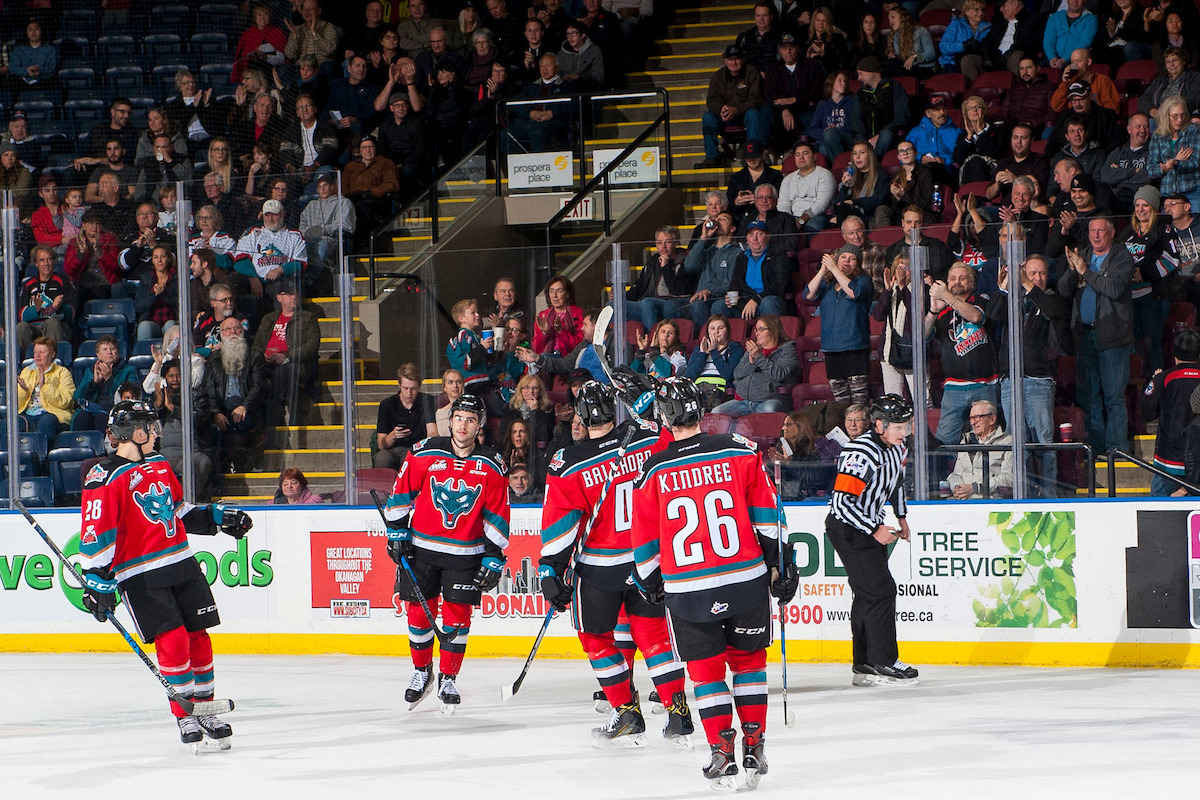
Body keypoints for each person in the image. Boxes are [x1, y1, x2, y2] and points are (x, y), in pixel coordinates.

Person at [629, 376, 793, 791]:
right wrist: (782, 563)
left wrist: (649, 580)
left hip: (688, 588)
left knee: (706, 674)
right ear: (700, 411)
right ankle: (754, 743)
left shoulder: (652, 470)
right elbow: (768, 516)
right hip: (745, 580)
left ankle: (722, 751)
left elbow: (644, 538)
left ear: (665, 417)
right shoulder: (739, 450)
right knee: (749, 664)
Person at [78, 400, 253, 747]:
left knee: (198, 637)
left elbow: (177, 510)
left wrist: (215, 519)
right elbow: (96, 530)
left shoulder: (158, 463)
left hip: (181, 562)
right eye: (150, 428)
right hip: (140, 574)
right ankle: (184, 714)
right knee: (173, 641)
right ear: (134, 433)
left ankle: (205, 708)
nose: (156, 433)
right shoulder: (104, 476)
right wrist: (97, 579)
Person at [539, 380, 693, 747]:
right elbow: (674, 441)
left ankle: (626, 712)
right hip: (647, 562)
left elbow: (561, 528)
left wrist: (550, 568)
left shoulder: (568, 462)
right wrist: (647, 407)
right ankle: (678, 714)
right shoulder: (647, 436)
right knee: (655, 637)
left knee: (595, 638)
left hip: (600, 569)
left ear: (579, 416)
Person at [383, 395, 510, 712]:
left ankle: (448, 678)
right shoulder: (425, 452)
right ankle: (421, 671)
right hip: (422, 549)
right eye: (459, 418)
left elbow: (497, 513)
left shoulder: (492, 464)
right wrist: (396, 531)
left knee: (458, 618)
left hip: (466, 554)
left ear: (479, 426)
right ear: (450, 421)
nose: (463, 425)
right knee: (418, 613)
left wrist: (494, 555)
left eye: (470, 419)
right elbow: (402, 490)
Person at [826, 393, 916, 686]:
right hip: (848, 528)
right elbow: (842, 503)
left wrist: (901, 517)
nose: (904, 432)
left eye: (906, 425)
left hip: (866, 525)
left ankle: (864, 662)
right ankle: (883, 661)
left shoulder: (897, 447)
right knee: (880, 591)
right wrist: (873, 528)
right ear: (879, 425)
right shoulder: (860, 452)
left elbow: (896, 483)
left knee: (868, 593)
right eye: (898, 427)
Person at [987, 254, 1067, 498]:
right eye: (1032, 273)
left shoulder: (1051, 298)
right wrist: (1004, 286)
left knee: (1044, 442)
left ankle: (1050, 495)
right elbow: (992, 315)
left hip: (1038, 380)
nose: (1037, 277)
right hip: (1010, 380)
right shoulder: (1012, 299)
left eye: (1042, 273)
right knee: (1016, 443)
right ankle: (1023, 495)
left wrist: (1026, 282)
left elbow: (1052, 311)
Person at [1059, 217, 1135, 455]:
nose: (1096, 235)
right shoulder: (1082, 255)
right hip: (1084, 336)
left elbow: (1114, 289)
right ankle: (1096, 449)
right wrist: (1073, 272)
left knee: (1113, 397)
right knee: (1089, 396)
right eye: (1092, 230)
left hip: (1113, 337)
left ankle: (1117, 450)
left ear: (1111, 233)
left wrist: (1086, 272)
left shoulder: (1122, 257)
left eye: (1101, 230)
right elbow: (1063, 290)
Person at [925, 262, 999, 446]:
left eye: (962, 278)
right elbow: (922, 337)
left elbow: (975, 317)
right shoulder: (943, 310)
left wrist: (947, 297)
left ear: (972, 284)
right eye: (952, 278)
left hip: (984, 384)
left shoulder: (981, 299)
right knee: (944, 441)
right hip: (954, 387)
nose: (957, 281)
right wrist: (933, 311)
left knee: (988, 439)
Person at [252, 281, 319, 443]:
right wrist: (263, 355)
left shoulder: (308, 318)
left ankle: (289, 420)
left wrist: (287, 356)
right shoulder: (268, 319)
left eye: (296, 293)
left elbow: (312, 345)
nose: (294, 297)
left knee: (285, 370)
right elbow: (256, 345)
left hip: (294, 365)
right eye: (289, 294)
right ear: (279, 297)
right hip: (268, 365)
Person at [806, 246, 873, 404]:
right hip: (832, 348)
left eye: (852, 258)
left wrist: (834, 269)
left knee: (859, 402)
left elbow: (854, 293)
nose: (846, 261)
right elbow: (809, 295)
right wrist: (823, 270)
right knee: (840, 402)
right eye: (843, 257)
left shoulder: (863, 280)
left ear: (857, 263)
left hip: (855, 347)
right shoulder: (828, 283)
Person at [1121, 186, 1176, 378]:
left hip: (1153, 297)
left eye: (1145, 205)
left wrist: (1144, 273)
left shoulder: (1163, 229)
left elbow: (1172, 260)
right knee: (1137, 345)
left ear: (1153, 207)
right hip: (1130, 297)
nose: (1140, 209)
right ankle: (1141, 385)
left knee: (1152, 345)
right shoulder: (1129, 231)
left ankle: (1157, 386)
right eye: (1137, 205)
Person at [1142, 328, 1200, 495]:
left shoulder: (1163, 378)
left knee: (1159, 509)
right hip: (1197, 464)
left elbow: (1146, 412)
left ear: (1174, 353)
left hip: (1168, 462)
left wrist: (1154, 381)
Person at [695, 45, 768, 169]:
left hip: (744, 115)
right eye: (730, 59)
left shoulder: (751, 72)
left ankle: (753, 154)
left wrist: (737, 109)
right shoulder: (718, 76)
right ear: (725, 60)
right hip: (725, 117)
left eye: (736, 59)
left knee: (753, 114)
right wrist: (721, 108)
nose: (733, 62)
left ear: (742, 59)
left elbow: (756, 99)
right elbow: (712, 100)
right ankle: (711, 157)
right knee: (708, 117)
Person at [713, 315, 800, 416]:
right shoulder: (753, 349)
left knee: (769, 409)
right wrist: (751, 363)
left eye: (761, 329)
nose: (757, 333)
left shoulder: (787, 349)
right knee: (716, 412)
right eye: (756, 330)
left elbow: (780, 374)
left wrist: (758, 358)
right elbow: (737, 374)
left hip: (770, 399)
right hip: (744, 401)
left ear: (773, 330)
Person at [715, 220, 792, 320]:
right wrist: (731, 295)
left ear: (767, 237)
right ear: (747, 238)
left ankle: (771, 330)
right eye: (751, 234)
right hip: (746, 301)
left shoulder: (778, 256)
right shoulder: (742, 257)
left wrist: (757, 299)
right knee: (719, 305)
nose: (755, 238)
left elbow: (779, 285)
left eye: (759, 234)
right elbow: (735, 281)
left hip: (767, 299)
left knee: (768, 302)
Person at [624, 226, 695, 330]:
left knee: (647, 303)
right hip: (647, 302)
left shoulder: (684, 261)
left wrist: (666, 267)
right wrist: (621, 297)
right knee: (612, 306)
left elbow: (678, 290)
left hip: (669, 301)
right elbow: (640, 285)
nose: (663, 246)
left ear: (676, 243)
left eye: (668, 242)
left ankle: (653, 338)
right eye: (659, 243)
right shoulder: (653, 260)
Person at [682, 210, 742, 327]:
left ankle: (705, 336)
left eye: (723, 220)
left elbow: (731, 283)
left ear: (732, 229)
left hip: (719, 298)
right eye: (717, 219)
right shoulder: (709, 251)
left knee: (703, 304)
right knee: (671, 305)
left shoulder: (736, 253)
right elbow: (689, 266)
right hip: (701, 298)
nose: (718, 222)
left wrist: (710, 291)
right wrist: (703, 238)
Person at [944, 399, 1014, 499]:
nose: (972, 422)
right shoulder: (966, 441)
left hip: (990, 500)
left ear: (992, 419)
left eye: (977, 418)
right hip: (963, 499)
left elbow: (1009, 479)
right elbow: (956, 474)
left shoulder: (1007, 442)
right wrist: (957, 488)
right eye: (971, 418)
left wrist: (976, 488)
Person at [375, 363, 438, 470]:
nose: (409, 393)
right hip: (391, 449)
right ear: (399, 385)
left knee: (411, 459)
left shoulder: (427, 401)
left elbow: (432, 432)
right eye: (405, 388)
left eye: (413, 389)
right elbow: (381, 444)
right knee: (383, 459)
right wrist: (393, 435)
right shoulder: (387, 405)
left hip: (416, 448)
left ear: (419, 386)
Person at [74, 335, 140, 432]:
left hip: (114, 411)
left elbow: (132, 396)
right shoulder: (91, 371)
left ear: (118, 352)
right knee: (83, 417)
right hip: (91, 409)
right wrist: (93, 383)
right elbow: (78, 397)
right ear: (98, 354)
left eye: (112, 349)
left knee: (101, 418)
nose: (109, 352)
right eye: (105, 349)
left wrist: (110, 379)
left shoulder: (129, 370)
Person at [766, 410, 836, 500]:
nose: (783, 428)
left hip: (810, 500)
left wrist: (789, 463)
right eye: (783, 425)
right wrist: (775, 465)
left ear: (801, 427)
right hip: (787, 498)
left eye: (788, 425)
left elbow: (815, 479)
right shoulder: (781, 447)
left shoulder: (817, 447)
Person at [16, 337, 75, 443]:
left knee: (46, 421)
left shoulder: (62, 373)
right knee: (11, 423)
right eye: (35, 352)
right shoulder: (27, 371)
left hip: (53, 414)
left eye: (42, 352)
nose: (37, 356)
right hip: (28, 415)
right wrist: (23, 391)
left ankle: (46, 453)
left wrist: (45, 387)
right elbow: (16, 405)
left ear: (52, 354)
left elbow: (66, 402)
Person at [1147, 96, 1200, 210]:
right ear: (1166, 116)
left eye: (1182, 115)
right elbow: (1151, 169)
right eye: (1175, 116)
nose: (1180, 119)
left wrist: (1175, 163)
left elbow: (1196, 162)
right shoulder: (1158, 136)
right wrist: (1164, 168)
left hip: (1192, 190)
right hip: (1169, 193)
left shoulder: (1194, 131)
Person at [684, 314, 746, 410]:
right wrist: (703, 355)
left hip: (719, 392)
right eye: (712, 328)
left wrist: (714, 352)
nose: (716, 332)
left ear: (727, 330)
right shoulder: (699, 350)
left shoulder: (735, 349)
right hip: (697, 391)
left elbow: (729, 375)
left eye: (721, 328)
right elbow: (689, 376)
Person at [16, 246, 72, 347]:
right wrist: (37, 310)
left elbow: (72, 312)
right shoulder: (29, 284)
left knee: (52, 323)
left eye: (49, 259)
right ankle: (25, 357)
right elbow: (21, 315)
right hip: (33, 327)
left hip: (56, 325)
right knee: (21, 327)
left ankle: (54, 356)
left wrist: (59, 308)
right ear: (36, 263)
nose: (46, 263)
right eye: (42, 260)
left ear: (54, 261)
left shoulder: (64, 281)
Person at [1097, 114, 1153, 215]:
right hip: (1116, 200)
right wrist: (1133, 171)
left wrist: (1118, 177)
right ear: (1129, 129)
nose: (1143, 130)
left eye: (1146, 127)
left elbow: (1148, 177)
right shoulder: (1117, 153)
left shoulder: (1153, 152)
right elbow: (1106, 176)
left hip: (1139, 200)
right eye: (1138, 126)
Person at [855, 56, 909, 158]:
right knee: (833, 135)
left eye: (861, 74)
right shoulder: (860, 94)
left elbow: (902, 116)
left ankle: (873, 163)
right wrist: (864, 142)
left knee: (886, 134)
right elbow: (856, 120)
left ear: (872, 72)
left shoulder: (894, 87)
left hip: (888, 135)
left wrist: (879, 136)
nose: (859, 78)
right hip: (865, 138)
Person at [777, 141, 836, 233]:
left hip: (816, 216)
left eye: (805, 154)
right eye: (797, 155)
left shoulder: (824, 175)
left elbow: (821, 204)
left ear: (814, 156)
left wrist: (801, 220)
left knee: (814, 225)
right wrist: (788, 220)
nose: (801, 157)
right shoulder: (788, 179)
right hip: (792, 217)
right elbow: (783, 204)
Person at [807, 71, 864, 165]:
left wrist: (834, 131)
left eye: (845, 81)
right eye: (839, 80)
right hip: (827, 140)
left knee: (829, 136)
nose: (843, 83)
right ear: (832, 83)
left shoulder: (852, 101)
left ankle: (841, 165)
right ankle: (839, 169)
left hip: (846, 139)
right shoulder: (823, 104)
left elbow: (855, 126)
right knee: (823, 147)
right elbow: (813, 130)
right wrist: (826, 131)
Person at [828, 141, 888, 226]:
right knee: (834, 219)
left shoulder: (881, 174)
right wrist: (845, 187)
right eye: (855, 153)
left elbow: (878, 199)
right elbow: (838, 203)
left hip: (869, 215)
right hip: (852, 215)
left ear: (870, 155)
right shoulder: (851, 174)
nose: (858, 157)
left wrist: (854, 202)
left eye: (862, 152)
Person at [725, 141, 783, 223]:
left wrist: (758, 200)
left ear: (762, 155)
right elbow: (728, 203)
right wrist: (736, 202)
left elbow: (781, 201)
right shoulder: (736, 177)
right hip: (740, 219)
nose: (751, 161)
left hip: (768, 219)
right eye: (748, 159)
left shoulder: (775, 176)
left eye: (755, 157)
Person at [533, 275, 586, 356]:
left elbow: (580, 345)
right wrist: (544, 333)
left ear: (567, 294)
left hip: (569, 357)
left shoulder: (578, 314)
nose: (555, 295)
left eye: (559, 291)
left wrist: (561, 331)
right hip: (547, 355)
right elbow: (536, 348)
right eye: (551, 291)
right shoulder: (543, 315)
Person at [938, 0, 989, 80]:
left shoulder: (988, 27)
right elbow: (943, 46)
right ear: (967, 11)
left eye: (982, 10)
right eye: (976, 10)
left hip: (975, 61)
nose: (980, 13)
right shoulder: (956, 24)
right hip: (953, 62)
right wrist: (963, 46)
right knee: (952, 80)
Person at [982, 0, 1039, 73]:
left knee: (1017, 55)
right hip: (995, 57)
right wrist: (987, 54)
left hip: (1015, 57)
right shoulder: (998, 20)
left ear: (1015, 4)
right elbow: (988, 40)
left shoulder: (1033, 20)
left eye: (1004, 5)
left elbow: (1034, 43)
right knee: (969, 60)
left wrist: (1012, 51)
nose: (1001, 9)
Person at [1044, 0, 1099, 70]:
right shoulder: (1054, 17)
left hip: (1076, 61)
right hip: (1053, 60)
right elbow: (1048, 41)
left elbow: (1083, 43)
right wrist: (1052, 58)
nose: (1075, 1)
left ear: (1084, 1)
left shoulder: (1090, 19)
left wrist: (1064, 59)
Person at [884, 7, 937, 78]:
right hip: (908, 67)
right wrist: (894, 56)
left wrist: (914, 57)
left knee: (902, 72)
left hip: (925, 67)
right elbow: (901, 58)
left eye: (893, 17)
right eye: (889, 19)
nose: (890, 21)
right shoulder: (896, 35)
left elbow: (931, 54)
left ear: (903, 17)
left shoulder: (921, 31)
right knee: (891, 63)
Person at [435, 369, 465, 436]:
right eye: (450, 382)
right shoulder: (440, 413)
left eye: (458, 382)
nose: (455, 386)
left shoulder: (471, 410)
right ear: (444, 387)